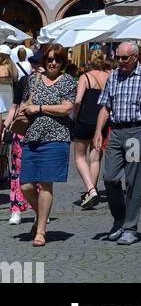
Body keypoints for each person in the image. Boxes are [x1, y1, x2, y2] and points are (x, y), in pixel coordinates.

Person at [92, 39, 141, 245]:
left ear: (135, 57)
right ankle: (119, 218)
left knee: (133, 179)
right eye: (118, 57)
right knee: (109, 178)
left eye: (124, 58)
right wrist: (98, 131)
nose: (120, 61)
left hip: (137, 133)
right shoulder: (113, 76)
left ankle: (130, 227)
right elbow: (105, 106)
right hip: (116, 133)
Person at [18, 44, 77, 246]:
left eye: (57, 60)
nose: (53, 63)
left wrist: (40, 108)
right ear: (44, 60)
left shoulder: (68, 81)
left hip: (56, 138)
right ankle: (40, 214)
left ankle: (41, 230)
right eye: (50, 59)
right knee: (25, 185)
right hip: (32, 137)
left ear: (63, 63)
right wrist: (26, 108)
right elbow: (26, 102)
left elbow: (67, 108)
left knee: (45, 184)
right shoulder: (33, 80)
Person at [71, 52, 110, 209]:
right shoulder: (108, 77)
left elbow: (78, 100)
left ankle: (91, 190)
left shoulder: (84, 77)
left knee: (80, 157)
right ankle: (91, 191)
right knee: (95, 158)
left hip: (84, 120)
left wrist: (74, 116)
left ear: (89, 62)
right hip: (102, 121)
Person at [1, 48, 29, 225]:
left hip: (28, 127)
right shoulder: (19, 80)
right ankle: (16, 208)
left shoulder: (23, 80)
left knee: (34, 170)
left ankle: (40, 207)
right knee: (15, 169)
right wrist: (6, 125)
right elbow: (13, 105)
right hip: (15, 125)